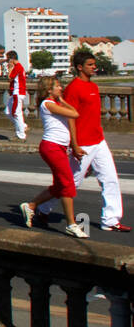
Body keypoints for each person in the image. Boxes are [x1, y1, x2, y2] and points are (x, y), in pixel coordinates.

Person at [37, 51, 127, 232]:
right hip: (83, 143)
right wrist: (75, 145)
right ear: (80, 67)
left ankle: (110, 220)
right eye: (90, 65)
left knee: (110, 179)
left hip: (99, 140)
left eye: (94, 65)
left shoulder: (93, 86)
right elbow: (70, 118)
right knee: (71, 183)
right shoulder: (73, 88)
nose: (94, 67)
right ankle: (41, 208)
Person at [18, 76, 88, 238]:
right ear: (49, 90)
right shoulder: (48, 104)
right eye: (57, 86)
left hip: (59, 147)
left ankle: (31, 206)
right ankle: (71, 224)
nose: (61, 88)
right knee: (67, 184)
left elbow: (72, 116)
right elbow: (75, 113)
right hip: (52, 147)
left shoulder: (53, 103)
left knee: (59, 186)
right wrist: (63, 100)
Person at [5, 50, 29, 140]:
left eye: (8, 60)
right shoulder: (19, 67)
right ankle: (23, 126)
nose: (7, 62)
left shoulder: (17, 67)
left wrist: (10, 68)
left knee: (16, 113)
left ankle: (21, 135)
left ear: (11, 59)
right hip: (16, 92)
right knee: (8, 112)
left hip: (18, 92)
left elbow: (10, 78)